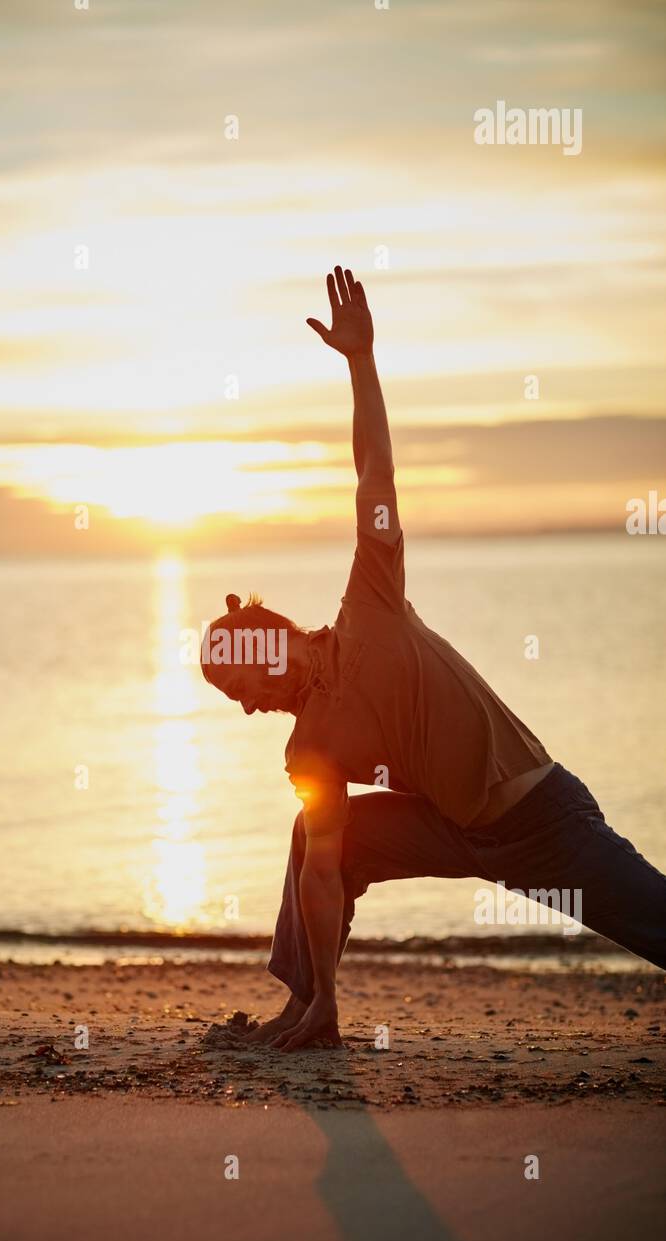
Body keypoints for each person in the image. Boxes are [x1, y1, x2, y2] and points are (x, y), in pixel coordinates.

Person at [201, 266, 666, 1051]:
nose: (246, 706)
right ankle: (308, 1007)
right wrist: (330, 998)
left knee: (654, 920)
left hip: (540, 821)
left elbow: (373, 476)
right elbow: (323, 869)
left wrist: (360, 362)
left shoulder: (371, 606)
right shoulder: (308, 749)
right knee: (318, 838)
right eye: (231, 700)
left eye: (235, 684)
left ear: (265, 642)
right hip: (448, 830)